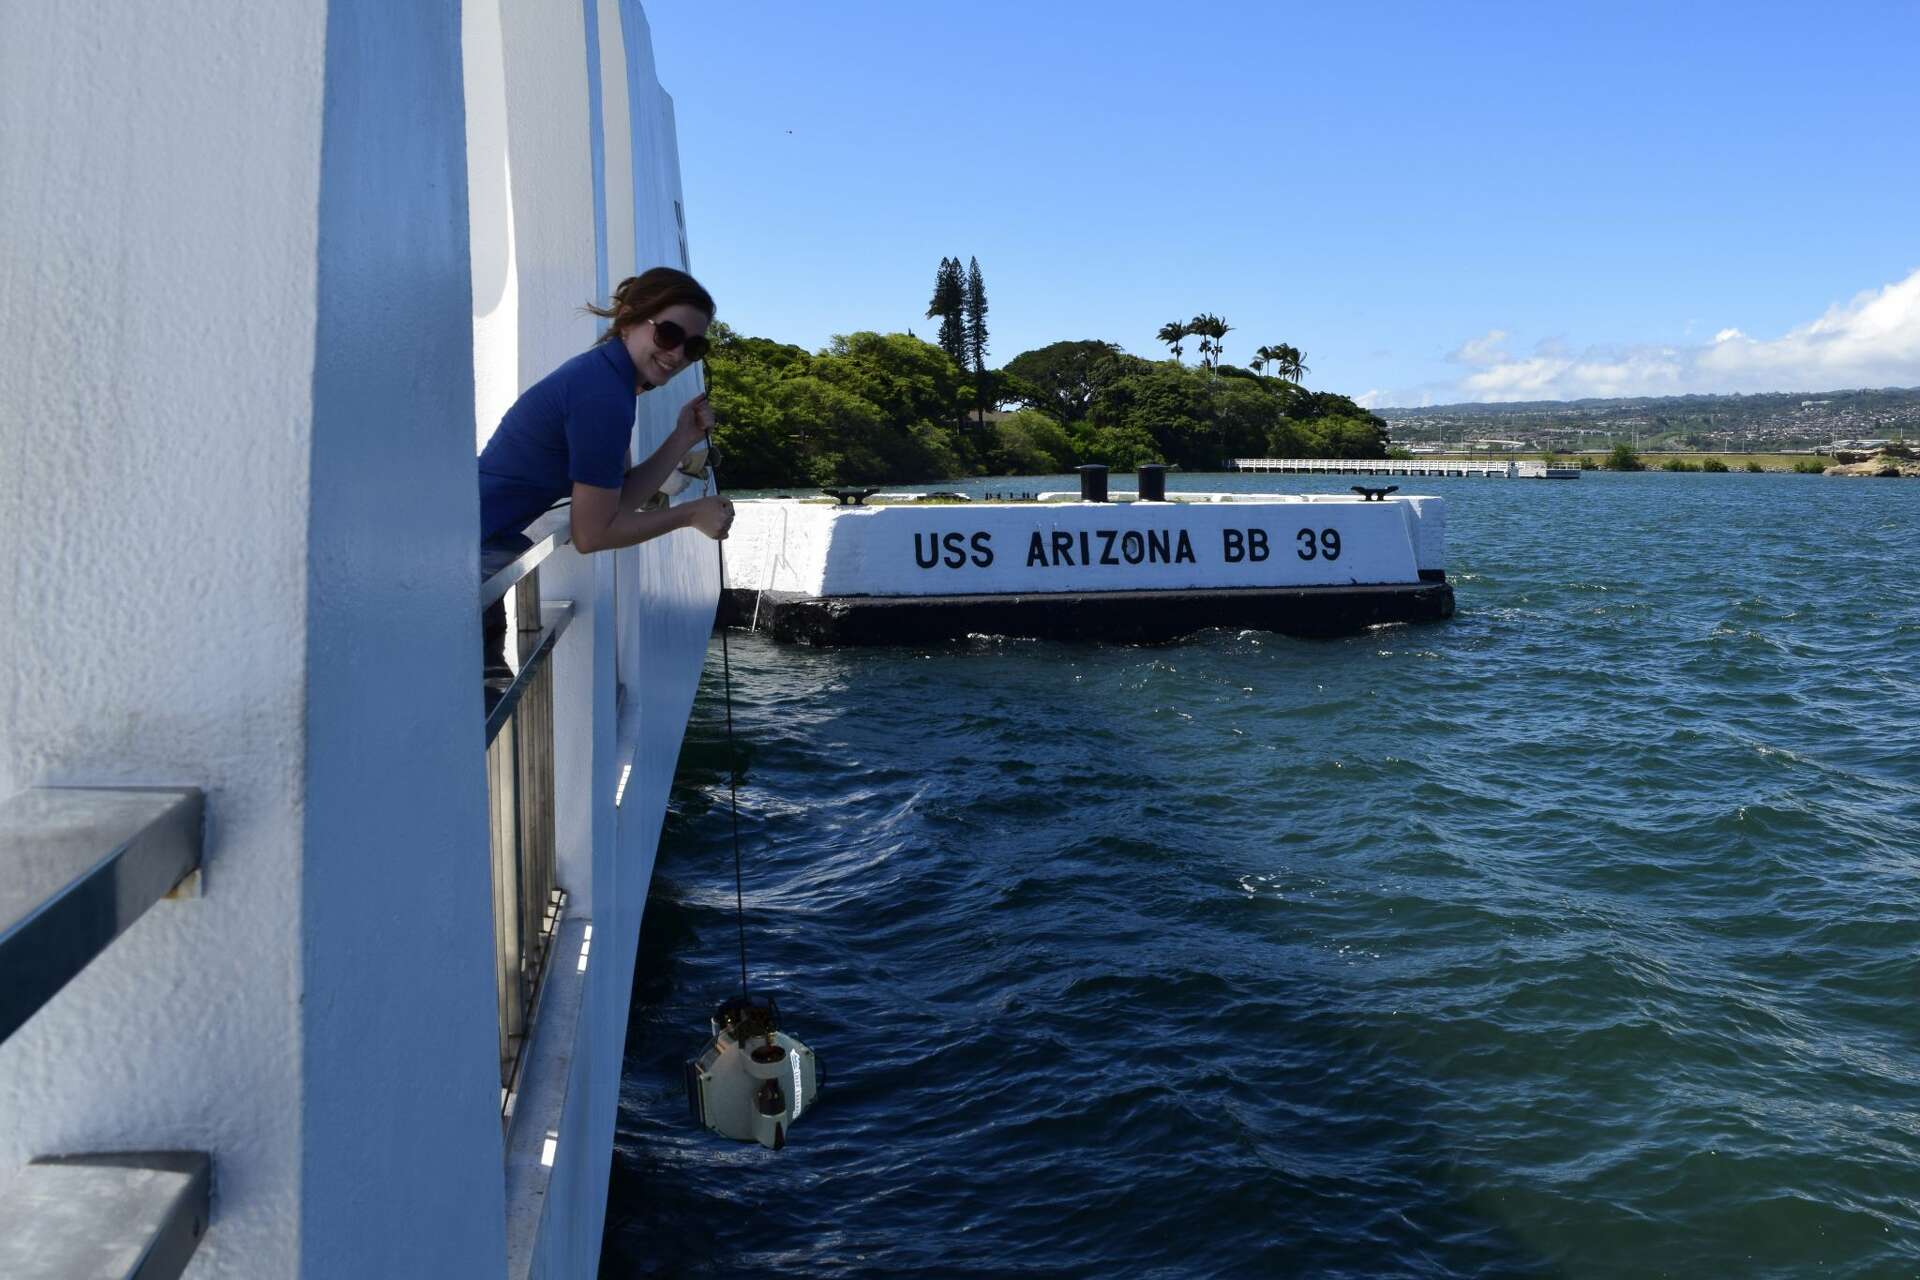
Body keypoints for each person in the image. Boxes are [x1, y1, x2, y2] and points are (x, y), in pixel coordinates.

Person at [478, 267, 734, 673]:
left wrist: (682, 437)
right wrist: (689, 515)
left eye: (694, 347)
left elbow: (620, 502)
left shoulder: (609, 378)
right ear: (631, 319)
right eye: (668, 335)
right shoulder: (603, 396)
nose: (677, 354)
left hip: (478, 547)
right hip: (467, 558)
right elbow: (592, 534)